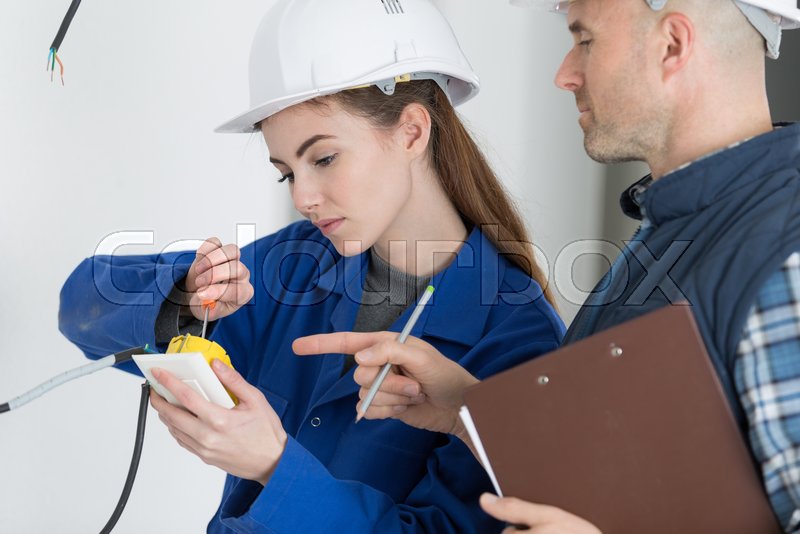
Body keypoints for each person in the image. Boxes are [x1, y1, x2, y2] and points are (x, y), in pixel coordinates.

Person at [57, 0, 565, 532]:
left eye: (323, 159)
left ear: (412, 132)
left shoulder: (515, 336)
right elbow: (84, 308)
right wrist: (184, 296)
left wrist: (274, 466)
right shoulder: (293, 268)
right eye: (286, 173)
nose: (302, 197)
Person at [294, 0, 800, 531]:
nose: (565, 74)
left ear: (672, 45)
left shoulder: (782, 249)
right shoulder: (677, 232)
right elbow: (629, 479)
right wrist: (466, 413)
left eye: (585, 40)